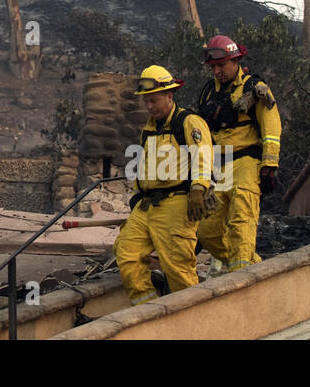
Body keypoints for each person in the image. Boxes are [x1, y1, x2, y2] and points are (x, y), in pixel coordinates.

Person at [114, 65, 214, 305]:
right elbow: (144, 166)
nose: (149, 107)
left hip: (176, 204)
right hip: (147, 205)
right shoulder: (149, 129)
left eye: (154, 101)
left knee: (178, 269)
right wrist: (137, 196)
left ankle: (194, 325)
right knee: (127, 254)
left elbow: (203, 156)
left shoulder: (188, 122)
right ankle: (147, 312)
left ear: (170, 95)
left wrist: (198, 189)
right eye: (146, 102)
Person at [195, 34, 282, 272]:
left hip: (246, 163)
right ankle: (252, 267)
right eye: (213, 67)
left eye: (221, 65)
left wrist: (269, 165)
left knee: (241, 223)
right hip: (218, 168)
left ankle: (241, 278)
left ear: (236, 61)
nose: (217, 71)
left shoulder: (255, 88)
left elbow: (271, 126)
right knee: (206, 230)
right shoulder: (207, 93)